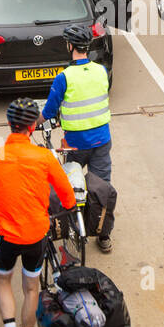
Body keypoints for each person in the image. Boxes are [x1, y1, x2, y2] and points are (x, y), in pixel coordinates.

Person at [0, 98, 76, 327]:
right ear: (33, 126)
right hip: (36, 235)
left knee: (2, 281)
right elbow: (66, 194)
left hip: (5, 236)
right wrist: (68, 206)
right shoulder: (44, 157)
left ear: (9, 123)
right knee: (31, 288)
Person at [42, 24, 115, 251]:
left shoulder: (64, 77)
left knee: (71, 186)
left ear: (70, 46)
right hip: (102, 140)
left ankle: (73, 224)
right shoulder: (101, 71)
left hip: (75, 145)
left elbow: (48, 110)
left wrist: (34, 122)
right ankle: (103, 235)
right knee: (101, 187)